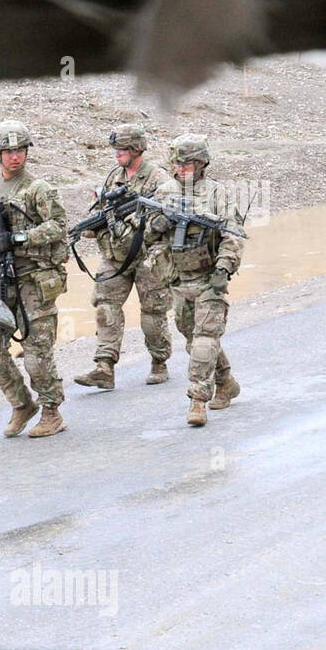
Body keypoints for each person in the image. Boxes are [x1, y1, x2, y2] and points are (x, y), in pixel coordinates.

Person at [0, 119, 70, 438]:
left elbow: (59, 226)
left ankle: (52, 411)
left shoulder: (39, 189)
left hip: (33, 282)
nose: (14, 156)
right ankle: (22, 404)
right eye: (8, 151)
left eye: (20, 149)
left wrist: (22, 239)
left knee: (37, 356)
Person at [73, 123, 181, 390]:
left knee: (152, 313)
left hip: (149, 256)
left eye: (123, 148)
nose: (118, 153)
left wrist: (142, 221)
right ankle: (104, 367)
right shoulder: (114, 177)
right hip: (116, 255)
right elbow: (105, 208)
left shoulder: (158, 178)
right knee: (105, 306)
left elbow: (171, 213)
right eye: (116, 148)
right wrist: (94, 227)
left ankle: (159, 361)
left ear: (137, 149)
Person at [160, 134, 245, 426]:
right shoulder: (164, 192)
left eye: (191, 163)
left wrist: (224, 268)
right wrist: (158, 222)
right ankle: (227, 383)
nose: (184, 168)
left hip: (210, 279)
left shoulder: (218, 194)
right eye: (180, 163)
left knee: (205, 342)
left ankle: (198, 401)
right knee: (194, 340)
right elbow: (148, 235)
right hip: (178, 280)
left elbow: (232, 235)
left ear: (202, 163)